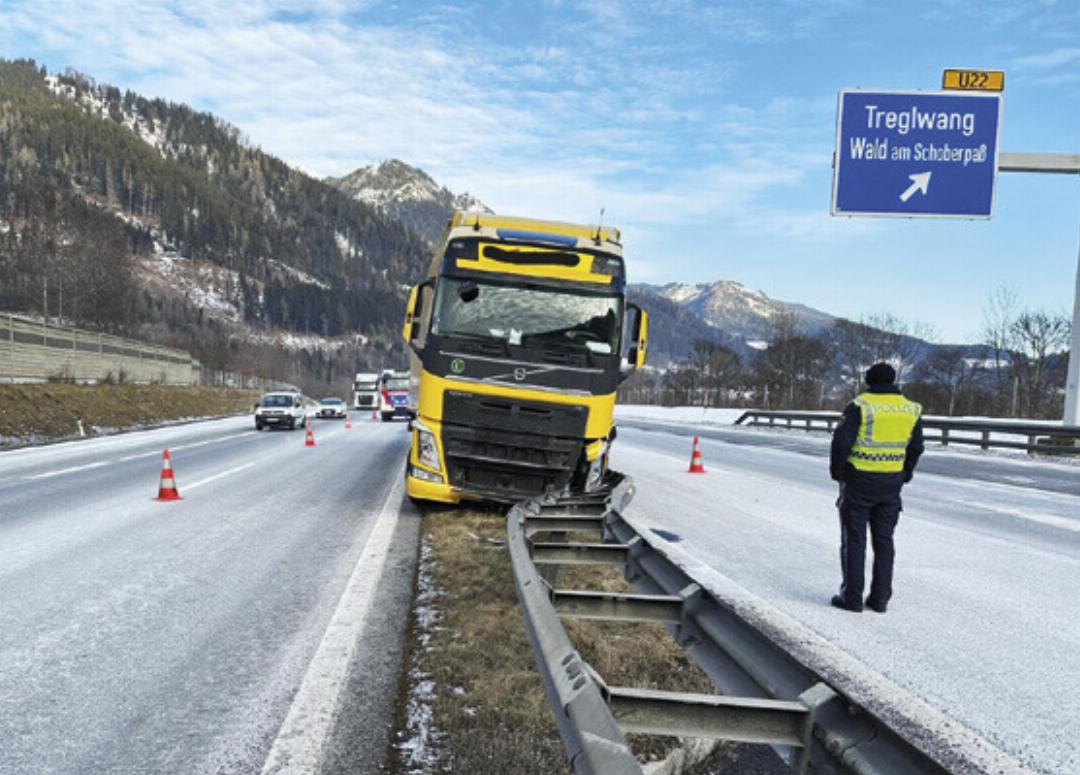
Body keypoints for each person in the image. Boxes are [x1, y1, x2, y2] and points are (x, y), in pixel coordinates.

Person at [829, 362, 924, 613]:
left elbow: (841, 443)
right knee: (884, 542)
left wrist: (838, 473)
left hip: (859, 481)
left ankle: (852, 597)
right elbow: (916, 447)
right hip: (891, 484)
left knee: (854, 540)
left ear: (869, 381)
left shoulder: (860, 405)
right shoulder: (911, 409)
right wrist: (905, 473)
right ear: (893, 381)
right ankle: (880, 599)